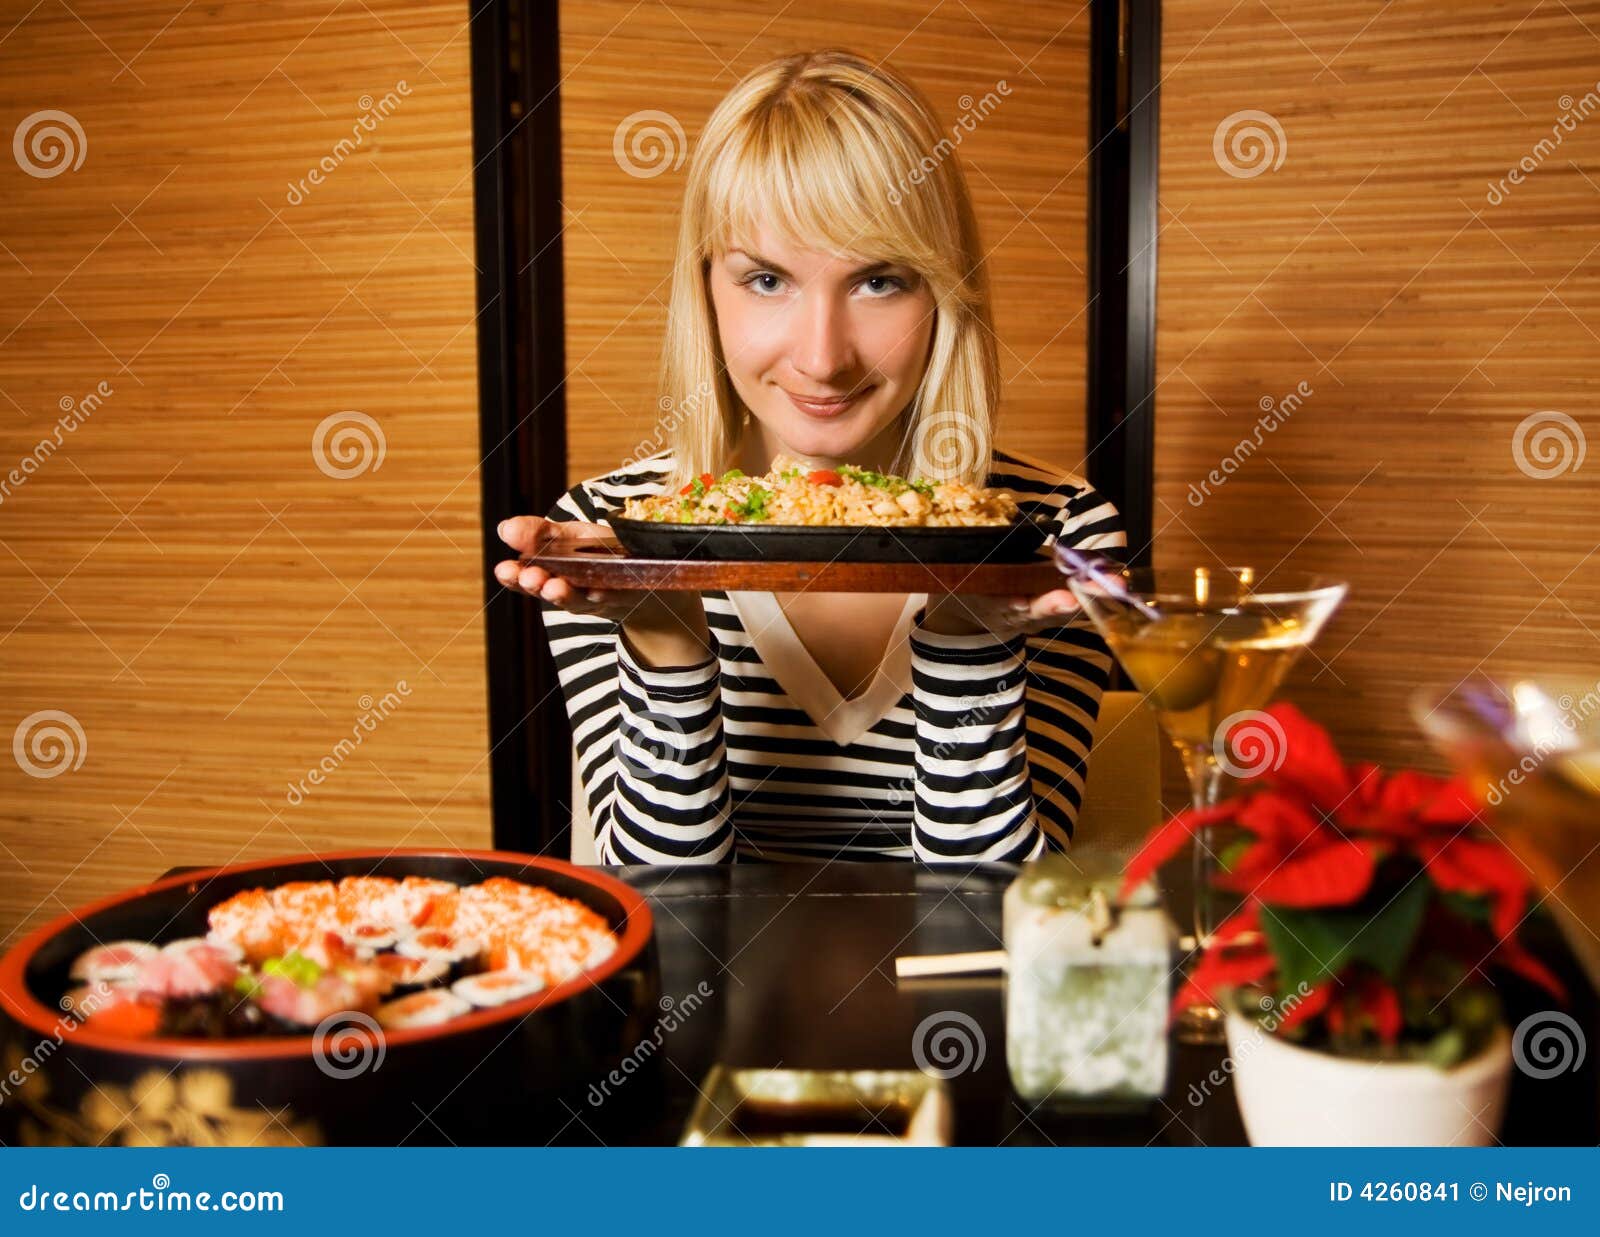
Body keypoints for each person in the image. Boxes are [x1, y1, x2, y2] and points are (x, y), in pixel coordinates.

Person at [493, 50, 1125, 865]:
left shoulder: (1055, 531)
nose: (824, 358)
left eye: (879, 281)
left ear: (942, 293)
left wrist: (972, 635)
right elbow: (664, 912)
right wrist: (668, 635)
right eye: (766, 279)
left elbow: (999, 918)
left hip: (952, 998)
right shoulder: (613, 536)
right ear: (706, 288)